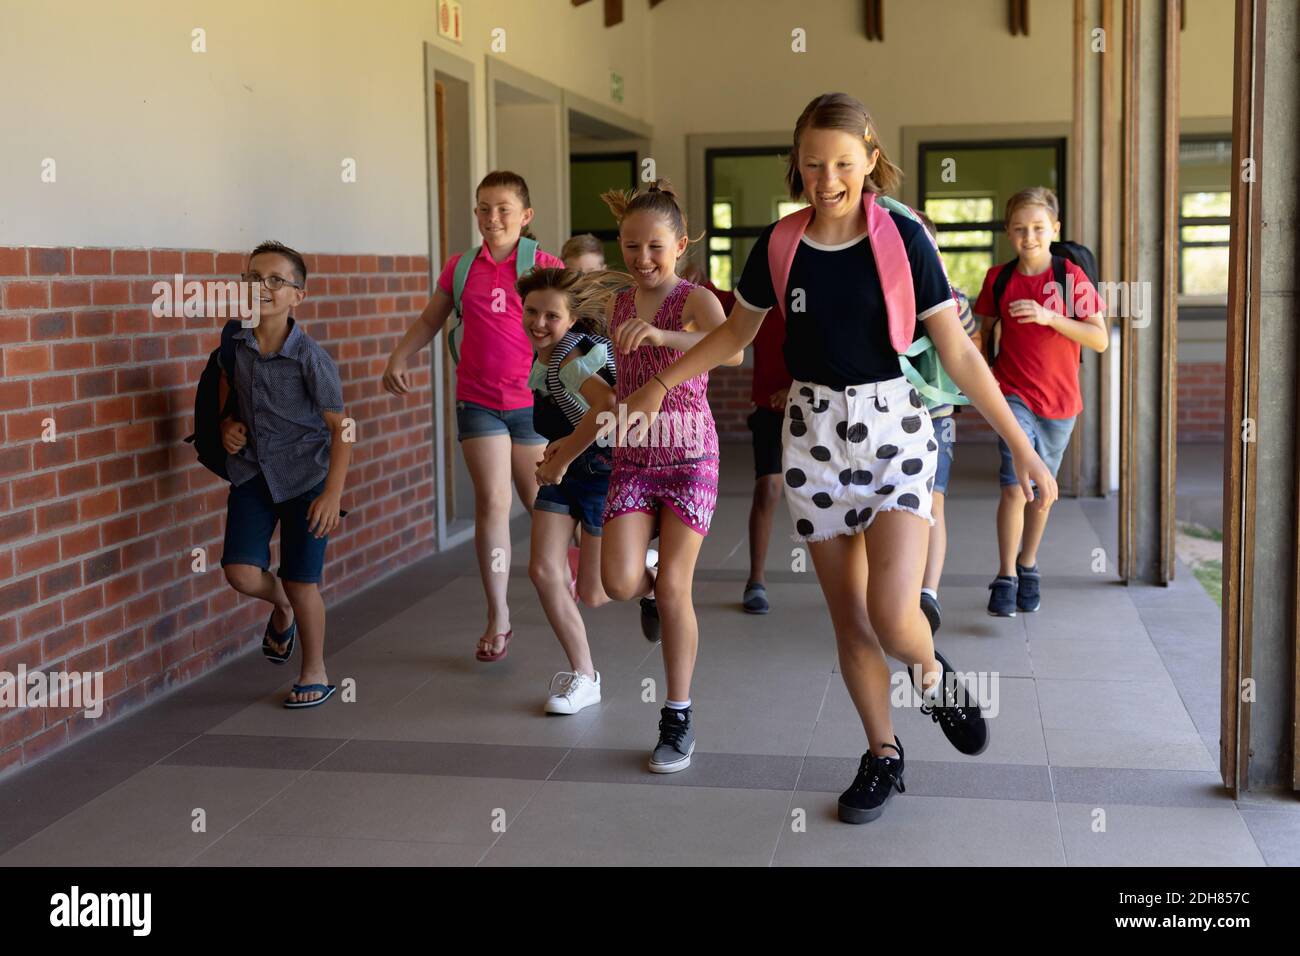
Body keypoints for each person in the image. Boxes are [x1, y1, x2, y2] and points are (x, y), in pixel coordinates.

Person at [618, 94, 1058, 822]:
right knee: (849, 618)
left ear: (870, 161)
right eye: (814, 164)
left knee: (892, 612)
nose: (828, 179)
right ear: (797, 164)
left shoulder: (904, 240)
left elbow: (959, 352)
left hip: (895, 433)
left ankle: (927, 670)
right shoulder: (780, 245)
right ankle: (883, 753)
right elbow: (735, 336)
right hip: (812, 438)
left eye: (844, 164)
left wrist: (1025, 447)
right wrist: (662, 382)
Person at [381, 171, 565, 661]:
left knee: (545, 503)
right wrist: (399, 356)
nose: (492, 218)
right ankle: (499, 615)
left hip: (533, 401)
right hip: (477, 401)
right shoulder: (461, 268)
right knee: (492, 502)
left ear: (525, 217)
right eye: (483, 208)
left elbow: (578, 327)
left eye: (503, 208)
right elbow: (430, 319)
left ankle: (566, 576)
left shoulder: (545, 267)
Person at [597, 180, 743, 773]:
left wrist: (663, 336)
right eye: (631, 247)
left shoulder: (696, 298)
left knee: (678, 589)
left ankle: (677, 716)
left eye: (654, 246)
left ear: (679, 245)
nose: (642, 259)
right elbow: (620, 382)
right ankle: (651, 576)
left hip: (690, 456)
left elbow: (731, 350)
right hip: (635, 454)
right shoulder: (618, 304)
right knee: (619, 581)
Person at [220, 240, 350, 708]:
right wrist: (227, 425)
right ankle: (282, 606)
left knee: (302, 579)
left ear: (298, 295)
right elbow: (225, 393)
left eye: (276, 280)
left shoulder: (310, 358)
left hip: (306, 479)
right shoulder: (234, 344)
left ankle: (314, 669)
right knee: (239, 571)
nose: (263, 287)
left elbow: (344, 428)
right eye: (254, 278)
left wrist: (332, 494)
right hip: (254, 473)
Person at [972, 187, 1107, 617]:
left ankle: (1028, 564)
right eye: (1019, 229)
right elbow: (982, 334)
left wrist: (1051, 316)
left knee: (1042, 495)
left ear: (1055, 229)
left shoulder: (1069, 278)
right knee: (1014, 486)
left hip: (1061, 403)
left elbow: (1099, 338)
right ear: (1008, 233)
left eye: (1037, 228)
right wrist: (981, 379)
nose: (1029, 237)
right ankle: (1005, 575)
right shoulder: (999, 278)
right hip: (1012, 395)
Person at [520, 267, 623, 713]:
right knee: (544, 571)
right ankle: (585, 677)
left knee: (597, 592)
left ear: (574, 318)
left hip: (602, 471)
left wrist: (559, 460)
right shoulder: (545, 357)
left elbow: (608, 408)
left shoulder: (571, 358)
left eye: (551, 316)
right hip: (565, 472)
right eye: (531, 312)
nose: (538, 323)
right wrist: (559, 455)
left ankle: (650, 570)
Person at [913, 211, 980, 634]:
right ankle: (894, 590)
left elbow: (971, 350)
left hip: (935, 417)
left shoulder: (953, 299)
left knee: (933, 502)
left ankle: (928, 594)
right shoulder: (882, 297)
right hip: (885, 415)